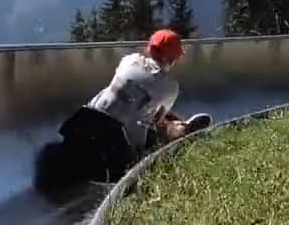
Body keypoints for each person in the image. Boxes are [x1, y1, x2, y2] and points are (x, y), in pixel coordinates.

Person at [35, 28, 211, 194]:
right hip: (115, 141)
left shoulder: (129, 60)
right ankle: (181, 130)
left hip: (82, 121)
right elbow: (157, 119)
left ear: (149, 48)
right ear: (172, 59)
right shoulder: (170, 87)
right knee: (154, 130)